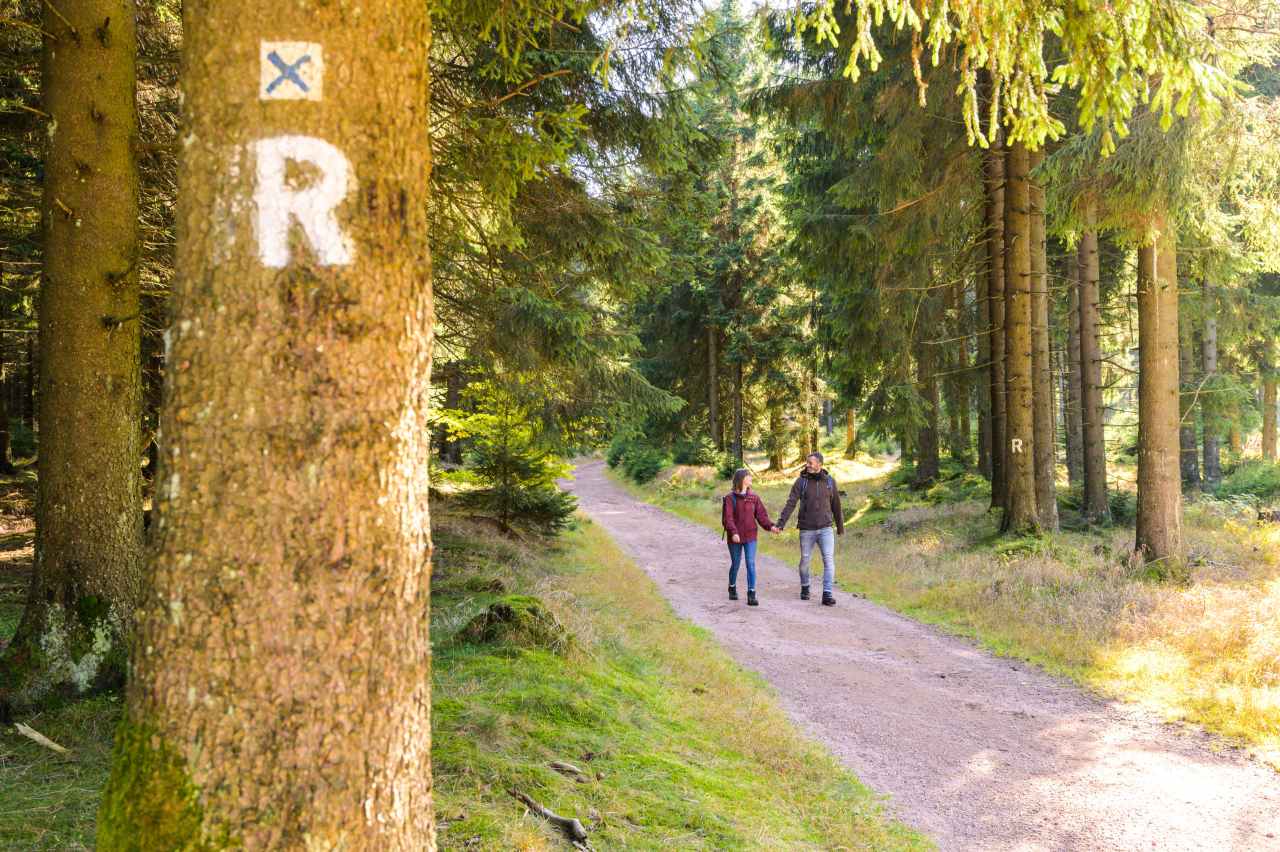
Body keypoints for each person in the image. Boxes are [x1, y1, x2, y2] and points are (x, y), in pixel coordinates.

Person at [775, 452, 844, 606]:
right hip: (807, 529)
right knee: (805, 561)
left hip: (826, 528)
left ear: (820, 464)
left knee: (828, 560)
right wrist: (781, 524)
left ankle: (827, 594)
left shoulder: (830, 482)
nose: (807, 465)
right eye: (807, 463)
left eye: (810, 463)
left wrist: (840, 526)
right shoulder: (801, 482)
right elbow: (791, 503)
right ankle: (805, 586)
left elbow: (836, 506)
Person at [721, 468, 780, 607]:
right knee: (736, 563)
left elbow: (761, 516)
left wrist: (771, 526)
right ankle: (732, 587)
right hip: (735, 537)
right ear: (742, 479)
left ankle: (751, 593)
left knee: (750, 563)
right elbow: (727, 519)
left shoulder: (754, 497)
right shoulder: (730, 498)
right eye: (748, 476)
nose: (751, 478)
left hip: (751, 536)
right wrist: (734, 532)